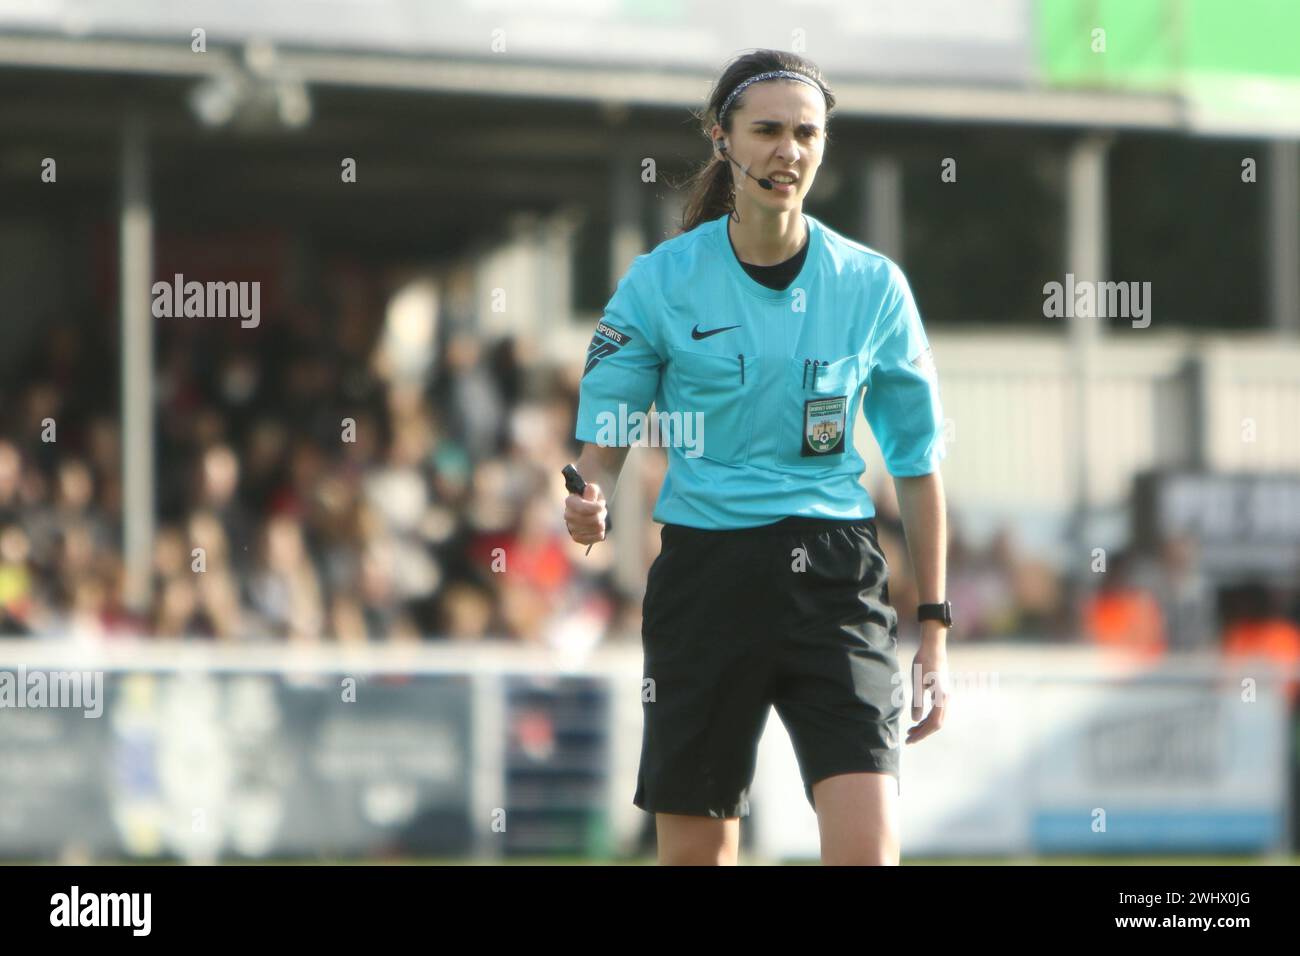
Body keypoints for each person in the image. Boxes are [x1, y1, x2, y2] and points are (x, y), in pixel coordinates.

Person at [563, 50, 952, 865]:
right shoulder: (659, 282)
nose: (789, 151)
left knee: (870, 854)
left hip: (840, 582)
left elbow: (917, 465)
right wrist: (589, 495)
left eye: (806, 133)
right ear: (722, 139)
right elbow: (603, 445)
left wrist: (935, 629)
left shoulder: (873, 286)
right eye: (767, 130)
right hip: (707, 580)